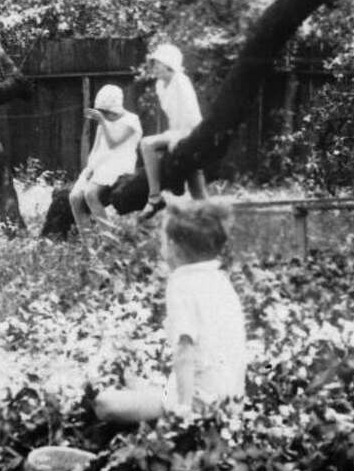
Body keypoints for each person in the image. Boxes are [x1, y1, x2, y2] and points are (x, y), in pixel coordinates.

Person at [94, 199, 248, 423]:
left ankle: (168, 403)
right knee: (135, 381)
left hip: (201, 403)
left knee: (104, 402)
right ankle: (158, 394)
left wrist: (183, 411)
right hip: (230, 398)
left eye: (163, 241)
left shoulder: (182, 283)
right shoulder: (220, 280)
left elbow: (185, 352)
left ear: (174, 246)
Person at [138, 43, 207, 217]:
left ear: (169, 64)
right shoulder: (160, 86)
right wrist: (172, 135)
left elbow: (191, 115)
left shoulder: (181, 81)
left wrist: (179, 138)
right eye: (153, 64)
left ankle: (208, 217)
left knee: (196, 185)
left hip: (192, 131)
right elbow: (173, 117)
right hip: (177, 131)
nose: (155, 67)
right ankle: (155, 198)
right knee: (147, 145)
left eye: (158, 63)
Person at [69, 84, 142, 233]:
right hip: (101, 163)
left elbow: (114, 143)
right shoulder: (103, 123)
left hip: (120, 163)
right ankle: (88, 244)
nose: (107, 117)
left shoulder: (131, 120)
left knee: (90, 193)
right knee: (75, 197)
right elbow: (96, 149)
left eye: (108, 113)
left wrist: (103, 121)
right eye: (103, 113)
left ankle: (109, 236)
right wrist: (90, 168)